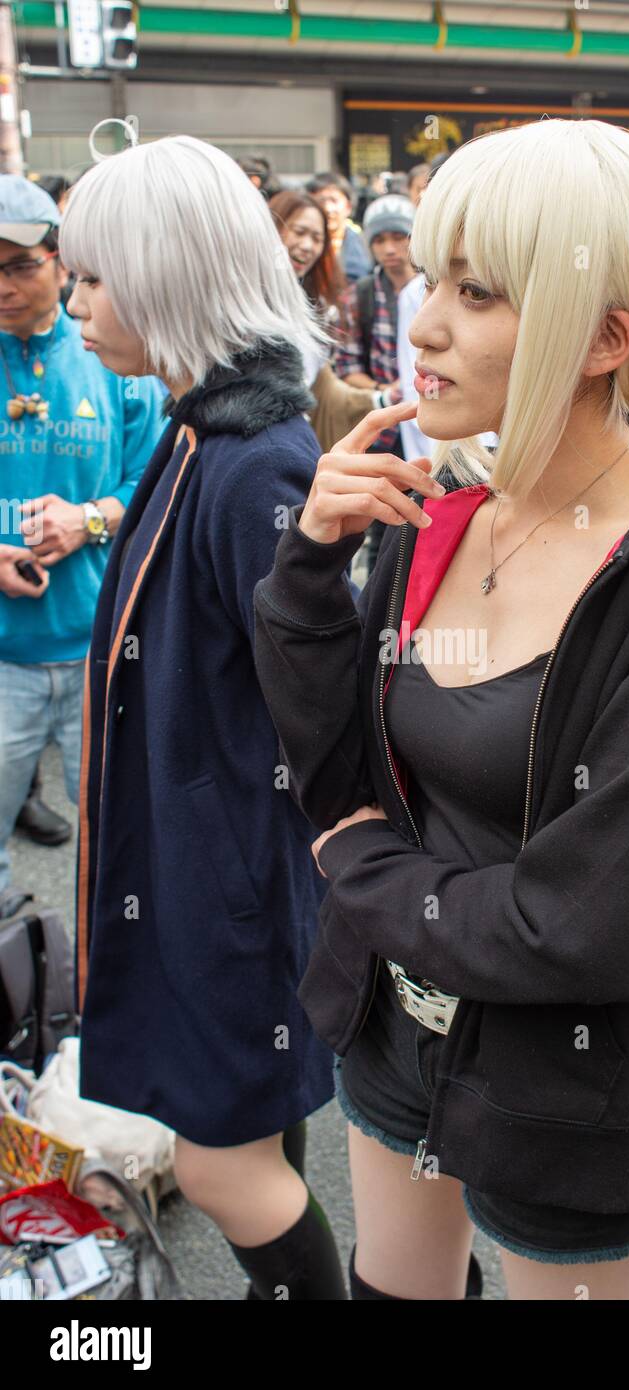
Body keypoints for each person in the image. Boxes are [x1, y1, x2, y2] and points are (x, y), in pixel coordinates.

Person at [253, 118, 629, 1300]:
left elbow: (584, 925)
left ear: (606, 335)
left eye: (479, 291)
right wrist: (306, 564)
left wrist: (361, 871)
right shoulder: (443, 506)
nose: (423, 320)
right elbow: (331, 760)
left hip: (564, 1083)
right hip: (391, 1021)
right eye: (428, 276)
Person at [62, 134, 346, 1300]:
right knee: (256, 1141)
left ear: (170, 274)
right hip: (210, 864)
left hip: (232, 878)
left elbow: (322, 707)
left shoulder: (251, 463)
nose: (75, 299)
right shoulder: (202, 429)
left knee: (223, 1165)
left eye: (92, 274)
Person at [0, 175, 165, 920]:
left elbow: (155, 484)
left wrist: (88, 521)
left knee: (124, 840)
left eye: (19, 265)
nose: (3, 285)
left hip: (104, 650)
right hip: (6, 662)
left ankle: (101, 996)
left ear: (59, 261)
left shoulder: (111, 348)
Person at [269, 189, 400, 451]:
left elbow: (325, 389)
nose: (307, 246)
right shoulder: (243, 301)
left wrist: (384, 398)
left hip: (293, 445)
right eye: (299, 232)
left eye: (317, 238)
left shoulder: (314, 307)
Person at [333, 193, 416, 572]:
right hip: (385, 426)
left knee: (429, 513)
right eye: (380, 241)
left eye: (399, 237)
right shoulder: (361, 296)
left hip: (434, 426)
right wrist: (386, 394)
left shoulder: (438, 289)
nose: (390, 249)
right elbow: (347, 364)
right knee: (381, 524)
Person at [307, 171, 373, 283]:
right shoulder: (304, 243)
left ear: (348, 207)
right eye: (321, 201)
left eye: (334, 200)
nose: (328, 208)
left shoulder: (364, 242)